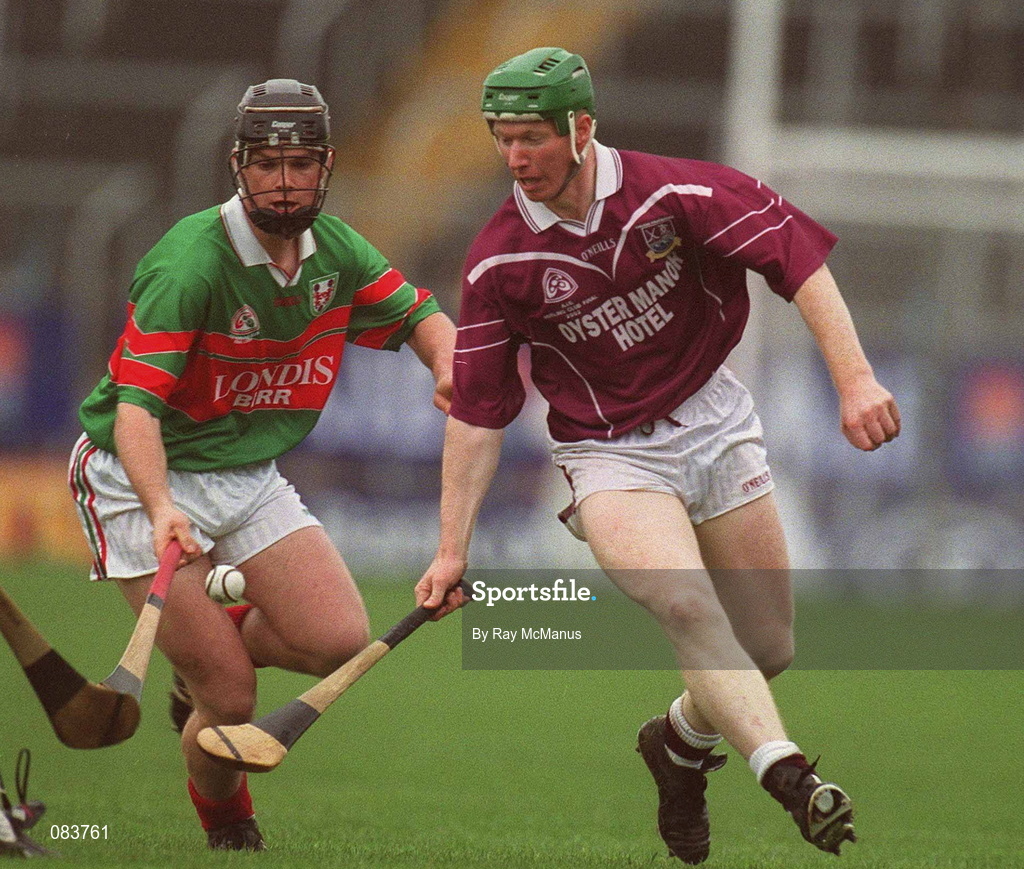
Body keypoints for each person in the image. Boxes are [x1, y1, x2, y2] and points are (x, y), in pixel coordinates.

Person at [416, 47, 900, 863]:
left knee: (769, 646)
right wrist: (451, 547)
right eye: (502, 138)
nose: (515, 157)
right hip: (606, 455)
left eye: (531, 136)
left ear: (581, 126)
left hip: (714, 418)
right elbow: (478, 411)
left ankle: (675, 744)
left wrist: (855, 380)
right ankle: (785, 772)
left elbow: (799, 262)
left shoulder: (679, 192)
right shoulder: (499, 259)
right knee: (685, 605)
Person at [68, 79, 455, 851]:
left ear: (327, 165)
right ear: (239, 166)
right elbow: (137, 411)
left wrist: (448, 368)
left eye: (300, 163)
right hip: (135, 474)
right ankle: (231, 825)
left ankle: (218, 635)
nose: (284, 180)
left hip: (245, 475)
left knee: (340, 638)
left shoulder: (336, 252)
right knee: (232, 697)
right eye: (268, 163)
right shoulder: (190, 262)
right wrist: (158, 508)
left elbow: (420, 315)